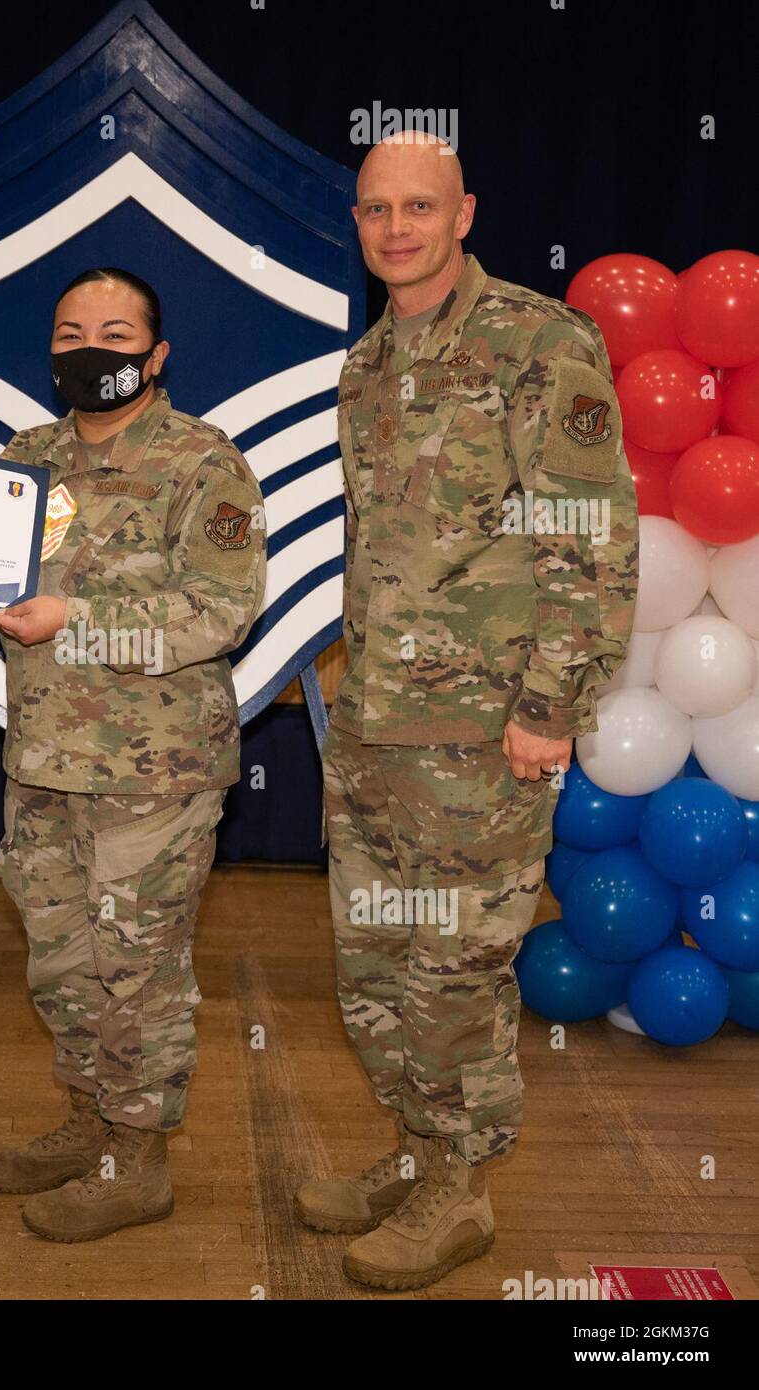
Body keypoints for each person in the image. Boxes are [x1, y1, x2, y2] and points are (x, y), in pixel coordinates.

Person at [294, 132, 638, 1289]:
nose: (397, 228)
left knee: (452, 975)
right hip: (379, 725)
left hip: (488, 737)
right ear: (358, 221)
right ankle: (415, 1146)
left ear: (465, 212)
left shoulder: (539, 342)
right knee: (375, 964)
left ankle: (462, 1192)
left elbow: (588, 539)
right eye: (376, 209)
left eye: (420, 208)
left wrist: (550, 705)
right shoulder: (368, 362)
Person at [0, 268, 266, 1241]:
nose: (89, 349)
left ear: (156, 356)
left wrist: (79, 618)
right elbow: (0, 587)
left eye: (114, 332)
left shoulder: (202, 462)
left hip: (156, 772)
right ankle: (87, 1120)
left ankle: (137, 1160)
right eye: (71, 332)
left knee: (135, 969)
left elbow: (222, 610)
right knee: (63, 961)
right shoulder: (27, 459)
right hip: (43, 757)